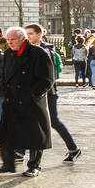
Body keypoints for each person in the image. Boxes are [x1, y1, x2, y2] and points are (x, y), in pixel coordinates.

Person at [0, 26, 54, 177]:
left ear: (22, 38)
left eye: (13, 39)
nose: (10, 42)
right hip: (12, 100)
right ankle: (8, 164)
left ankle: (34, 166)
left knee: (35, 135)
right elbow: (6, 77)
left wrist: (32, 95)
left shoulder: (38, 53)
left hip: (31, 102)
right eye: (8, 40)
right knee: (5, 133)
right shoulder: (7, 54)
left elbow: (47, 79)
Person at [29, 23, 80, 162]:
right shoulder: (30, 49)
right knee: (31, 121)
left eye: (31, 34)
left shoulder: (46, 51)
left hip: (48, 92)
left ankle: (73, 148)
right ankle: (20, 152)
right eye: (26, 34)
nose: (28, 36)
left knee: (53, 122)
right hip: (36, 92)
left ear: (40, 34)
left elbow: (48, 75)